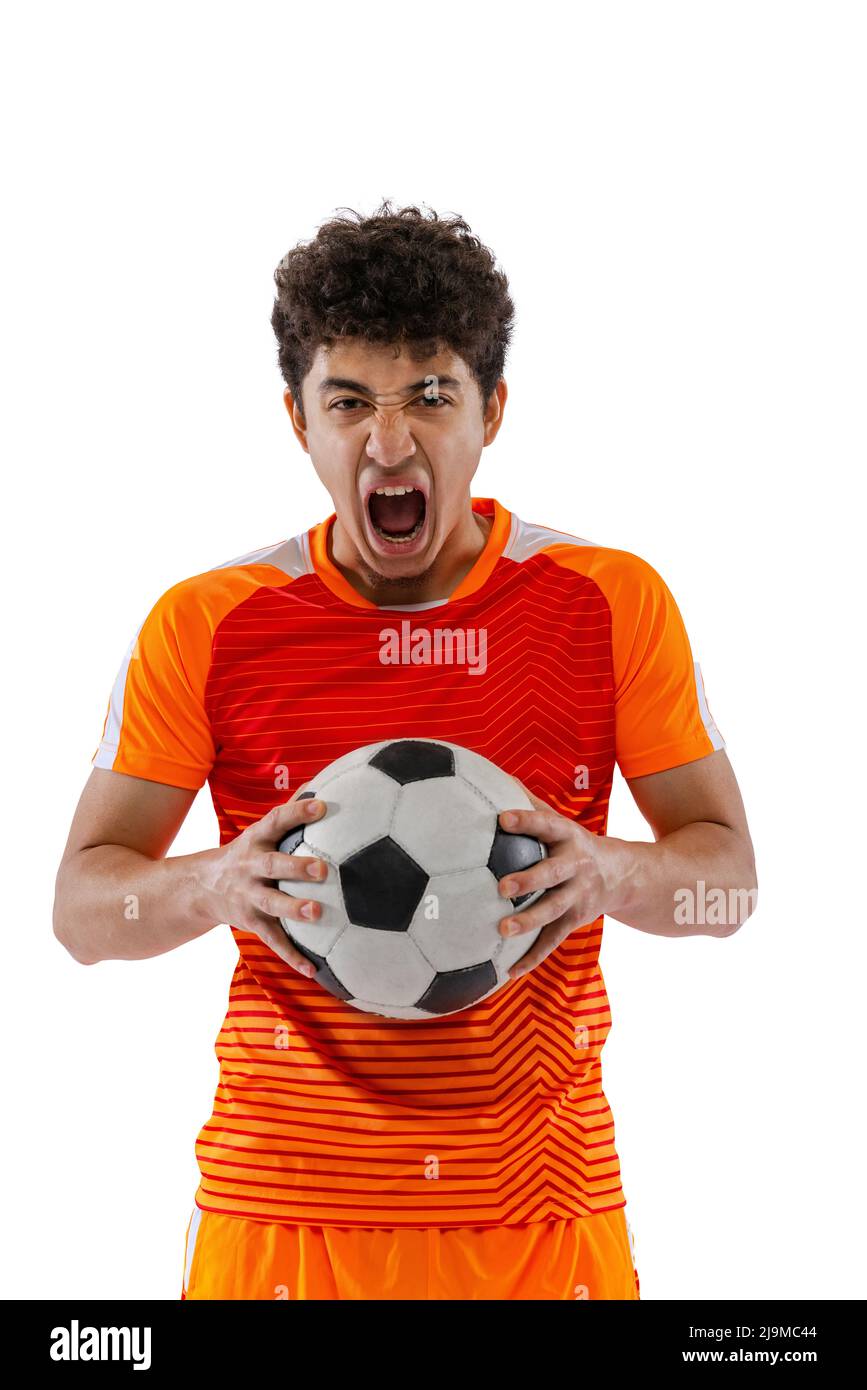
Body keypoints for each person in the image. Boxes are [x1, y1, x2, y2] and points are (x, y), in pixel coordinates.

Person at [53, 201, 757, 1301]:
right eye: (349, 402)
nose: (390, 443)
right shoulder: (210, 621)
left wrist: (605, 870)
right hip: (282, 1220)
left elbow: (730, 887)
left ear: (493, 411)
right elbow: (83, 916)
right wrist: (217, 883)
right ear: (299, 420)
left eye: (431, 394)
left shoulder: (607, 603)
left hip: (542, 1215)